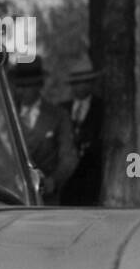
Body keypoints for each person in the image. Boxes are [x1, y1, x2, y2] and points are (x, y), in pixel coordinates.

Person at [8, 58, 76, 204]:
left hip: (46, 199)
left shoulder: (58, 116)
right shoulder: (8, 116)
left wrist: (53, 181)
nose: (22, 91)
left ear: (39, 85)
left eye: (28, 86)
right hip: (11, 196)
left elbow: (69, 157)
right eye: (20, 86)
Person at [60, 58, 104, 206]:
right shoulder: (62, 109)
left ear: (91, 84)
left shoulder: (102, 109)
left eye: (84, 82)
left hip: (92, 178)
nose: (80, 87)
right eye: (76, 83)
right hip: (65, 182)